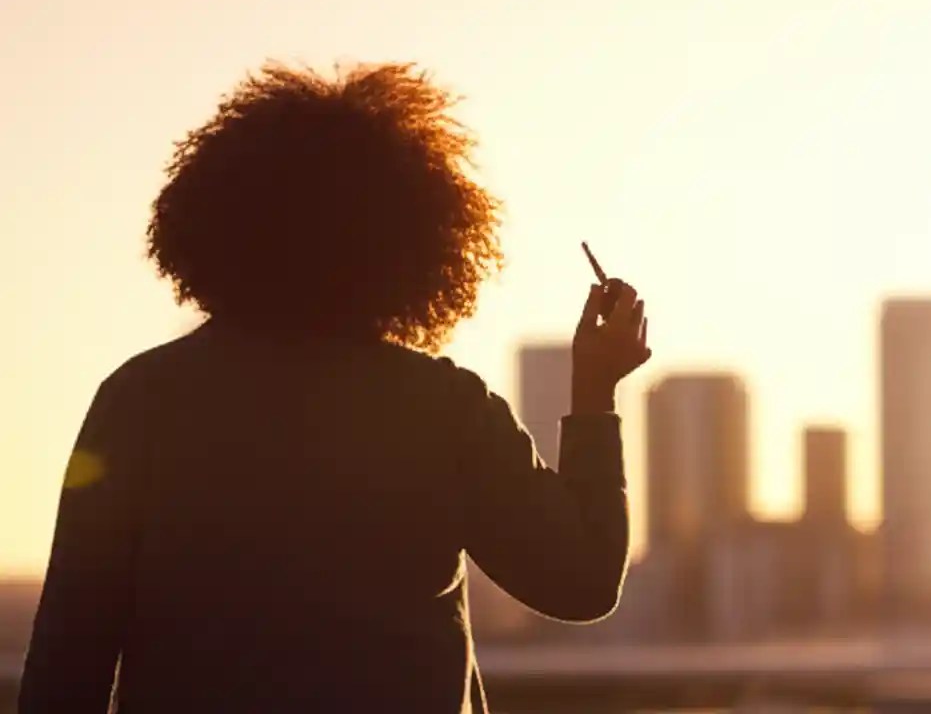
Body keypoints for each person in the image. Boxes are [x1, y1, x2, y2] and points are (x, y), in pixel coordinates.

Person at [18, 62, 650, 714]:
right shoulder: (441, 409)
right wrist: (596, 391)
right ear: (411, 243)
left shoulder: (138, 401)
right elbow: (581, 583)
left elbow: (68, 656)